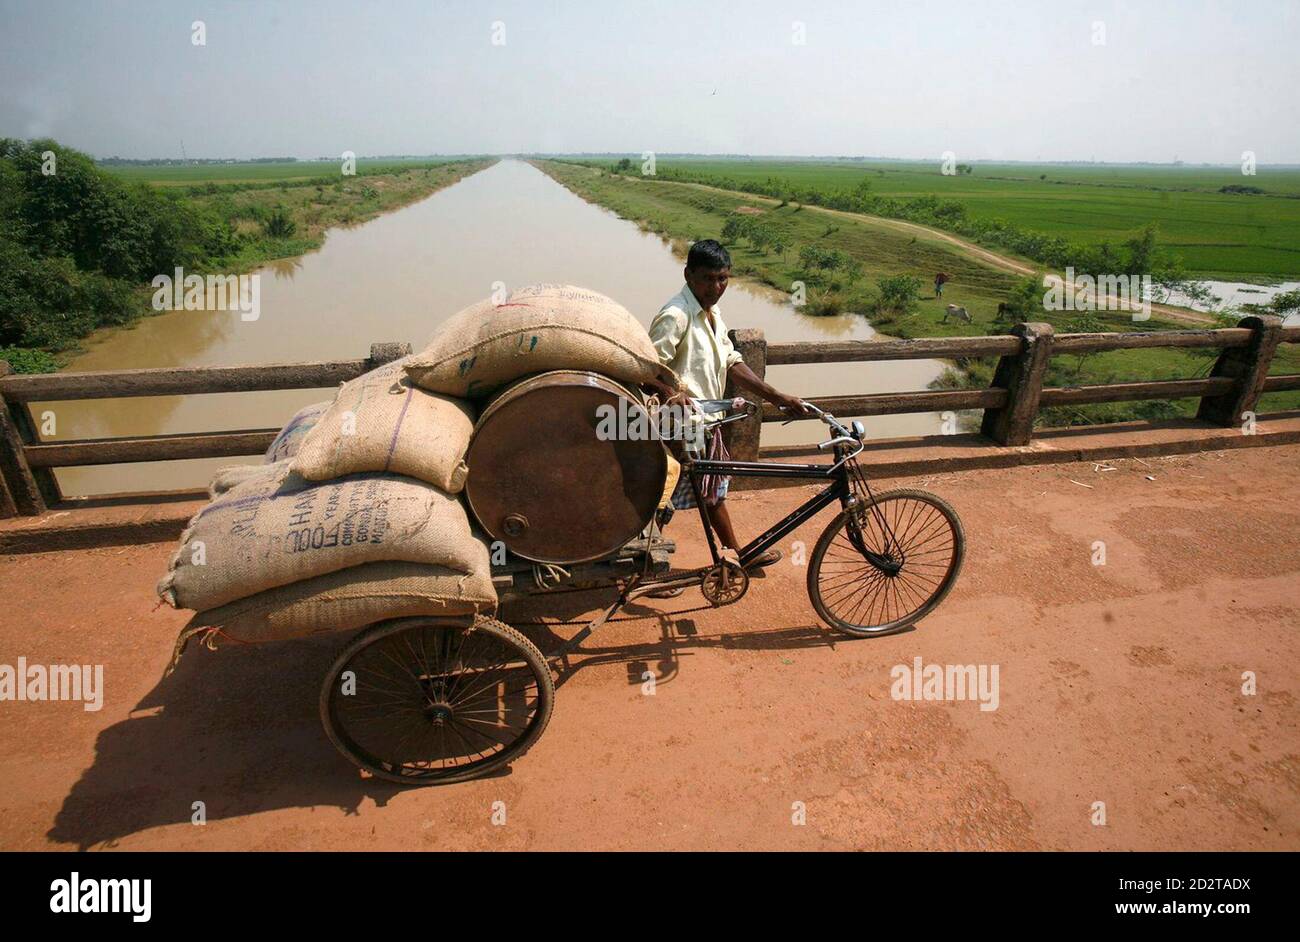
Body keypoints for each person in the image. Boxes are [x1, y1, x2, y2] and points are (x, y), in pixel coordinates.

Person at [645, 239, 813, 576]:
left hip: (706, 425)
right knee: (669, 499)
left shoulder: (712, 314)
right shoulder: (675, 316)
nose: (717, 287)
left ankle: (736, 555)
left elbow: (731, 361)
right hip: (679, 427)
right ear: (688, 274)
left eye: (723, 279)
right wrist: (669, 393)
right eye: (708, 278)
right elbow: (647, 369)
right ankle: (648, 565)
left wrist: (776, 396)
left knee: (710, 493)